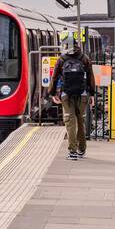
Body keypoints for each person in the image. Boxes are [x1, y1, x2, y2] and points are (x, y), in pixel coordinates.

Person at [45, 33, 95, 161]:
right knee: (80, 121)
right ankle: (81, 150)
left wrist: (52, 94)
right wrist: (92, 94)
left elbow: (54, 78)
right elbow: (91, 78)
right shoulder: (84, 58)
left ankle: (72, 151)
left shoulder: (62, 59)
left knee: (70, 122)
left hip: (66, 94)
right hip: (82, 94)